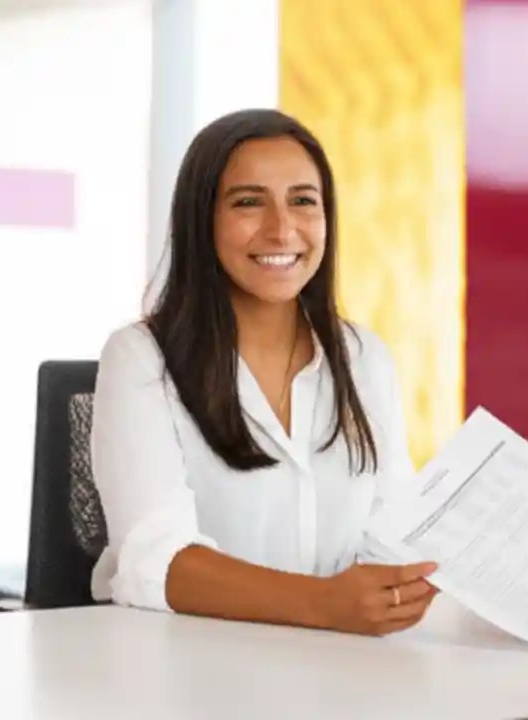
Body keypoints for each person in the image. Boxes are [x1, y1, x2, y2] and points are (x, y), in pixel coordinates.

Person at [90, 108, 437, 636]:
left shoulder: (363, 356)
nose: (282, 229)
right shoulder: (141, 358)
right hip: (190, 667)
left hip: (342, 665)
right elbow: (154, 558)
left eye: (303, 201)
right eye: (249, 202)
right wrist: (325, 604)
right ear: (201, 219)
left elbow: (393, 530)